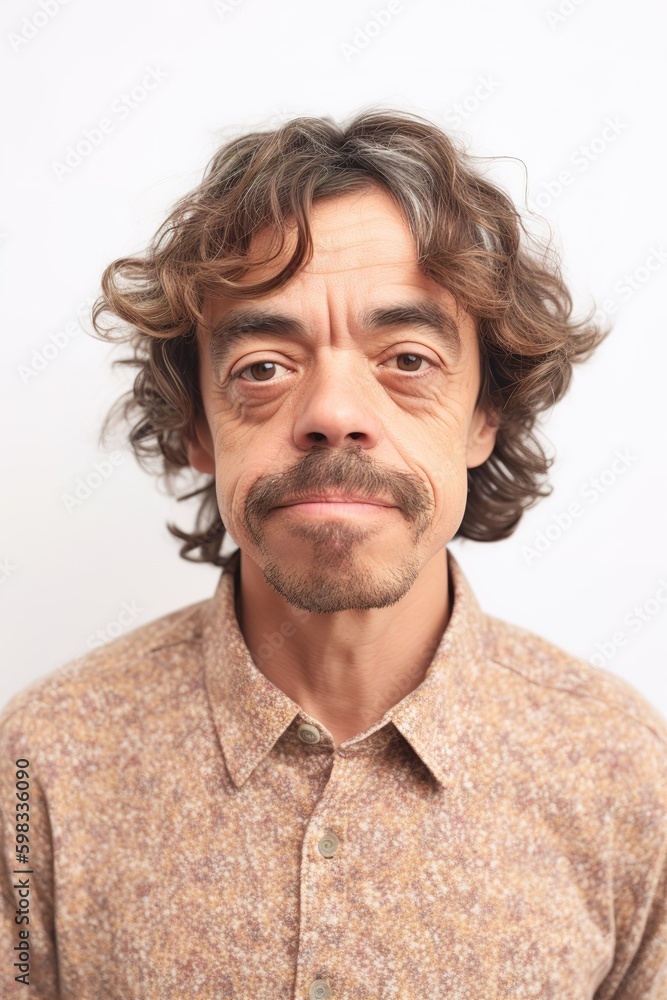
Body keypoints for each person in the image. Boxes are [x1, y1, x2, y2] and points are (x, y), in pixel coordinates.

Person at [1, 109, 665, 999]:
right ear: (197, 427)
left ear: (483, 415)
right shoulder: (34, 765)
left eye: (407, 358)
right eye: (263, 367)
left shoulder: (632, 774)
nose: (334, 410)